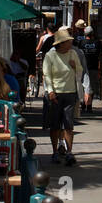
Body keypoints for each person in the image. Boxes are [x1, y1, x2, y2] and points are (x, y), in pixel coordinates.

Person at [42, 27, 90, 167]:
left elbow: (80, 71)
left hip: (70, 93)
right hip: (56, 94)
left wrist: (75, 67)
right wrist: (50, 91)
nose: (70, 43)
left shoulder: (73, 54)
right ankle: (55, 151)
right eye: (68, 41)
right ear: (61, 43)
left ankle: (69, 152)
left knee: (69, 124)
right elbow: (47, 75)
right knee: (55, 125)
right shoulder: (50, 56)